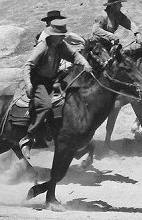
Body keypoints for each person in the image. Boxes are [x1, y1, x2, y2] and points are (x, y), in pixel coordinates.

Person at [21, 18, 92, 151]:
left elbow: (74, 55)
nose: (62, 38)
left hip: (52, 80)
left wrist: (85, 63)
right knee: (46, 105)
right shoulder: (43, 46)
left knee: (73, 99)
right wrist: (28, 84)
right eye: (60, 36)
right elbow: (27, 65)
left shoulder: (61, 46)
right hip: (39, 82)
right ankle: (29, 136)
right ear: (53, 36)